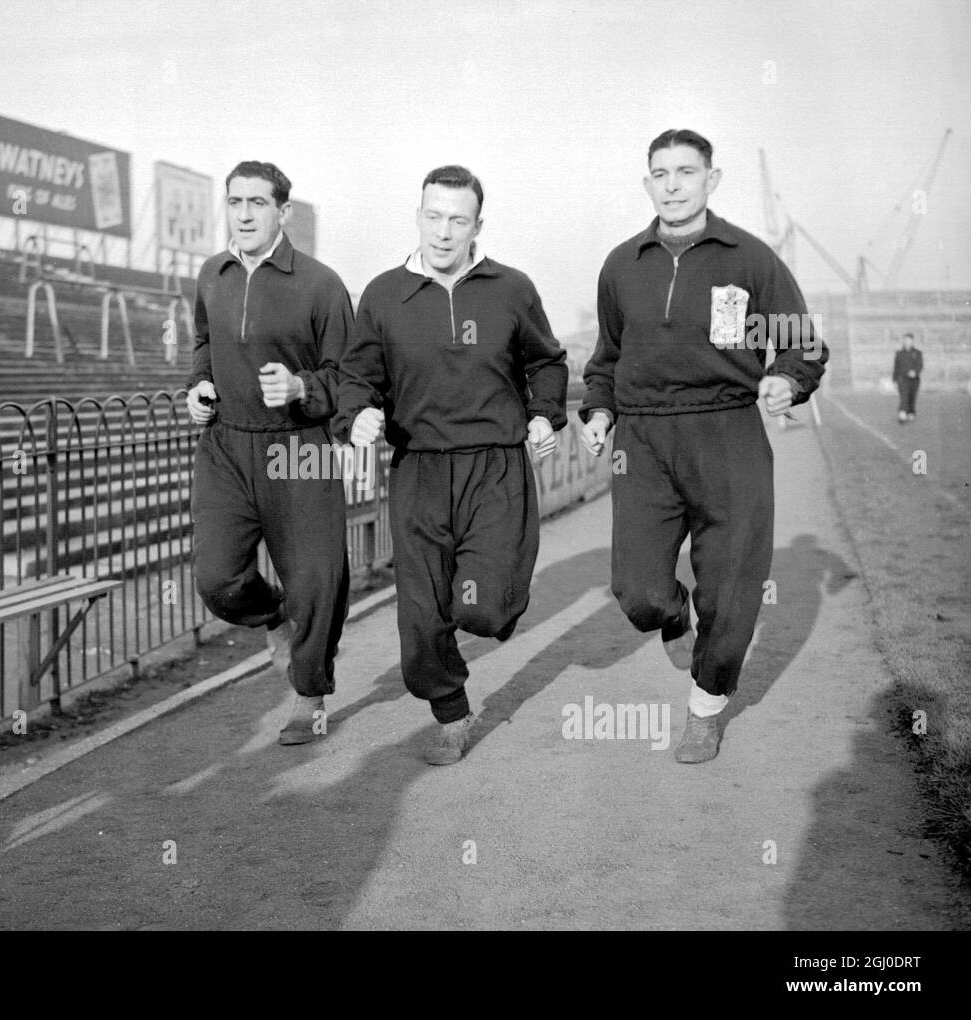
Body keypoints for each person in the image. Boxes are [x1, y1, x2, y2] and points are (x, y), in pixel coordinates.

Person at [580, 128, 829, 764]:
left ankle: (705, 707)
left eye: (685, 172)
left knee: (733, 584)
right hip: (643, 438)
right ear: (647, 184)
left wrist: (786, 378)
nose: (672, 185)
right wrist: (599, 410)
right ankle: (671, 611)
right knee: (635, 588)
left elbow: (802, 342)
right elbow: (606, 358)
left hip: (727, 432)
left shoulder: (749, 258)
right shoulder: (621, 263)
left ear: (711, 180)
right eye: (660, 174)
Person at [333, 165, 568, 765]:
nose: (443, 231)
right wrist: (356, 414)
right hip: (419, 470)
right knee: (420, 610)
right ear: (418, 217)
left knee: (482, 608)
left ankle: (490, 607)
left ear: (476, 226)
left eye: (457, 219)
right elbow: (358, 377)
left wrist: (544, 414)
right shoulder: (384, 295)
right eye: (433, 216)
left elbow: (546, 364)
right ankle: (450, 712)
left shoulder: (511, 289)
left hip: (495, 468)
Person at [186, 161, 354, 745]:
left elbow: (348, 378)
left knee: (314, 578)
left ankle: (309, 694)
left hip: (296, 447)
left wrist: (303, 388)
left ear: (283, 211)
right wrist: (198, 386)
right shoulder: (213, 273)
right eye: (236, 202)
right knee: (217, 577)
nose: (246, 214)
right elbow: (204, 343)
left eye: (259, 203)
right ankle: (272, 615)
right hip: (227, 445)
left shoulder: (320, 284)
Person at [893, 333, 923, 422]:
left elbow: (920, 365)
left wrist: (915, 372)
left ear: (913, 342)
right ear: (903, 341)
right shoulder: (899, 353)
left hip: (914, 380)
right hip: (902, 379)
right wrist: (894, 379)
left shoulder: (917, 353)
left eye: (910, 341)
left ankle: (911, 412)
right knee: (904, 396)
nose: (907, 343)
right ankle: (902, 412)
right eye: (906, 340)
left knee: (912, 397)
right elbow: (896, 367)